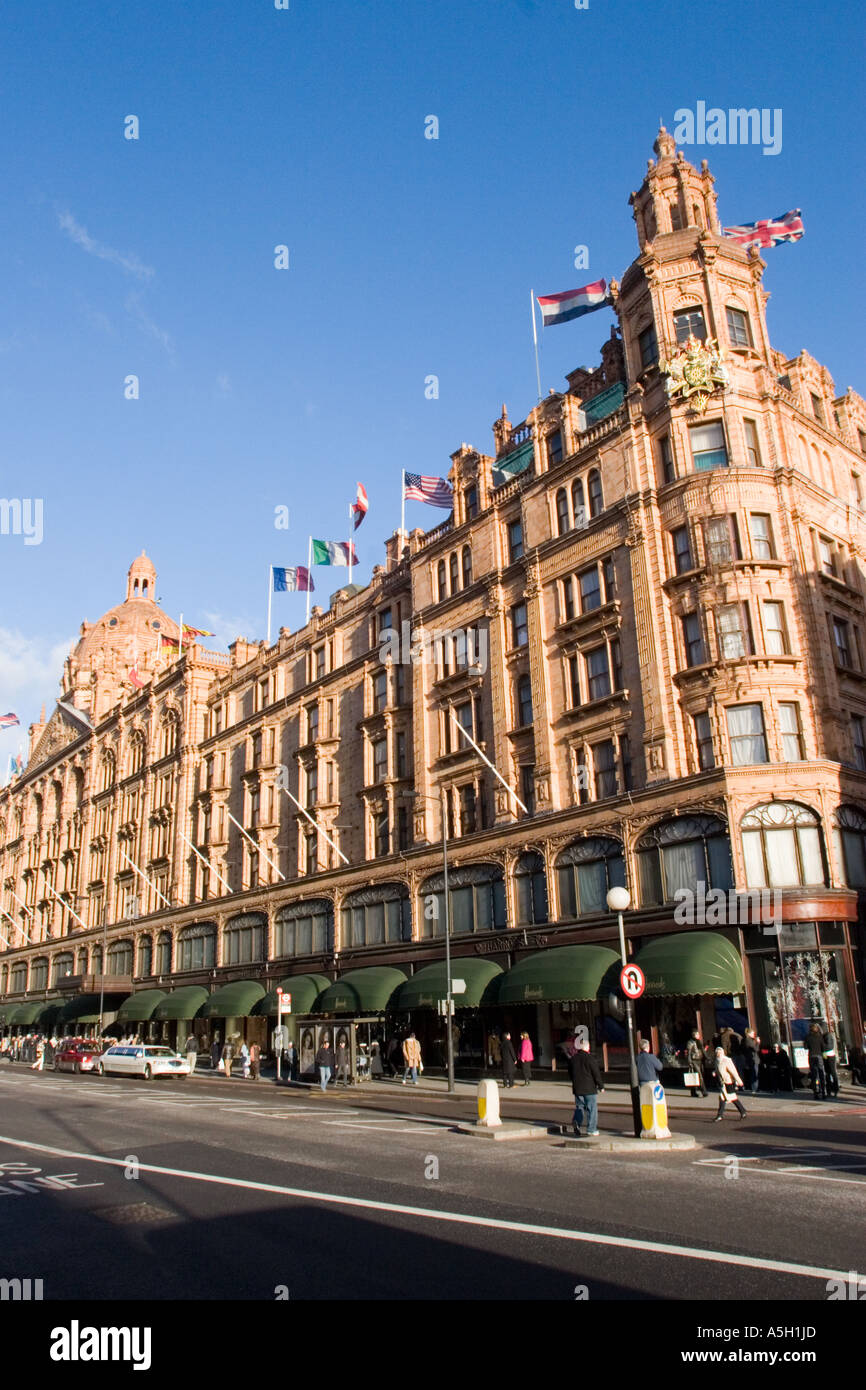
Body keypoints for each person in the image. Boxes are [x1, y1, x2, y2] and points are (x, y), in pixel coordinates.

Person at [567, 1039, 604, 1137]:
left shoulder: (573, 1059)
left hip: (577, 1088)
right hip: (589, 1088)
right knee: (592, 1109)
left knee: (579, 1107)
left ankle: (577, 1121)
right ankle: (591, 1129)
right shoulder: (590, 1058)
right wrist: (601, 1086)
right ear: (587, 1047)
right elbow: (596, 1074)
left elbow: (570, 1074)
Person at [712, 1046, 747, 1121]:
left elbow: (733, 1072)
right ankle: (720, 1115)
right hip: (722, 1083)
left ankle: (742, 1111)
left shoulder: (726, 1060)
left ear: (722, 1052)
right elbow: (717, 1070)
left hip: (728, 1082)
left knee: (732, 1098)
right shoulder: (716, 1061)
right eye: (716, 1052)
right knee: (722, 1098)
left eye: (719, 1052)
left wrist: (739, 1081)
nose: (717, 1054)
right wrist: (714, 1072)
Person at [685, 1030, 708, 1097]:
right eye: (697, 1035)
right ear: (694, 1035)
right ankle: (704, 1091)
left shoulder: (699, 1042)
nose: (699, 1036)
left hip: (699, 1060)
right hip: (694, 1060)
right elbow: (688, 1052)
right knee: (699, 1076)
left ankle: (693, 1092)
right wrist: (689, 1061)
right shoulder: (690, 1042)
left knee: (696, 1076)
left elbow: (702, 1050)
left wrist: (707, 1057)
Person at [806, 1024, 826, 1099]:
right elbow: (823, 1047)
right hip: (819, 1056)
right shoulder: (820, 1037)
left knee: (815, 1075)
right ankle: (823, 1091)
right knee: (821, 1074)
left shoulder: (808, 1037)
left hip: (811, 1056)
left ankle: (816, 1092)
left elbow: (805, 1047)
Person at [741, 1028, 761, 1094]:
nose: (754, 1035)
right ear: (749, 1034)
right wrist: (758, 1043)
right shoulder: (748, 1040)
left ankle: (755, 1087)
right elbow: (756, 1049)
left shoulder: (746, 1040)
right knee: (754, 1073)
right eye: (753, 1033)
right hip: (752, 1059)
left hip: (750, 1058)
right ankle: (754, 1088)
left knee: (754, 1073)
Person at [821, 1027, 839, 1098]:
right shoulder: (825, 1036)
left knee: (832, 1072)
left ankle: (835, 1089)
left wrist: (822, 1046)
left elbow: (829, 1046)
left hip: (830, 1056)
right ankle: (830, 1090)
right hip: (826, 1056)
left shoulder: (828, 1035)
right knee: (828, 1073)